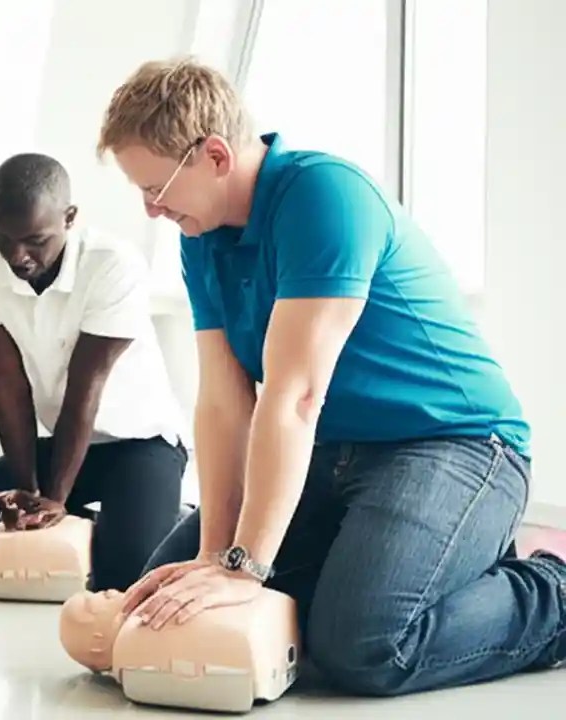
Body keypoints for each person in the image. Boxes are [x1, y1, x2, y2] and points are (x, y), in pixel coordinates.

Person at [95, 56, 565, 696]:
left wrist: (246, 566)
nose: (152, 209)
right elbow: (224, 403)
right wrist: (212, 556)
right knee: (163, 602)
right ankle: (426, 567)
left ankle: (549, 588)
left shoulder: (323, 196)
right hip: (334, 452)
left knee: (365, 646)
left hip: (455, 445)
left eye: (156, 187)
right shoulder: (200, 235)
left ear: (214, 155)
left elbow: (293, 397)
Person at [0, 152, 189, 592]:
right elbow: (6, 383)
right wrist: (26, 490)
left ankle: (163, 517)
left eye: (35, 239)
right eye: (3, 236)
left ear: (68, 218)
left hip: (142, 443)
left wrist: (54, 498)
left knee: (124, 575)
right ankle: (109, 522)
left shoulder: (113, 264)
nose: (18, 255)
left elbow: (84, 387)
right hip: (66, 446)